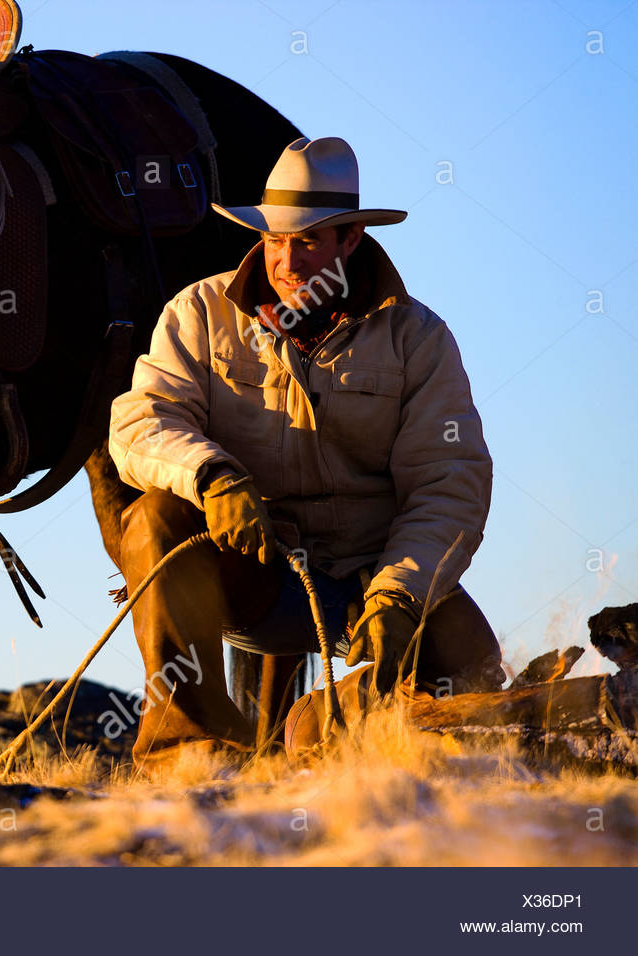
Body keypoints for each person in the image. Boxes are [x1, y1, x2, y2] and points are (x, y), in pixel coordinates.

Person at [107, 136, 505, 765]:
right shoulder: (199, 314)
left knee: (471, 664)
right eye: (273, 239)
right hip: (251, 573)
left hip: (369, 579)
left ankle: (333, 728)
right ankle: (188, 751)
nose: (286, 261)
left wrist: (399, 594)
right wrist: (211, 477)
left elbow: (449, 481)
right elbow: (140, 421)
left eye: (308, 241)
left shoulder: (418, 339)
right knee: (156, 520)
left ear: (351, 240)